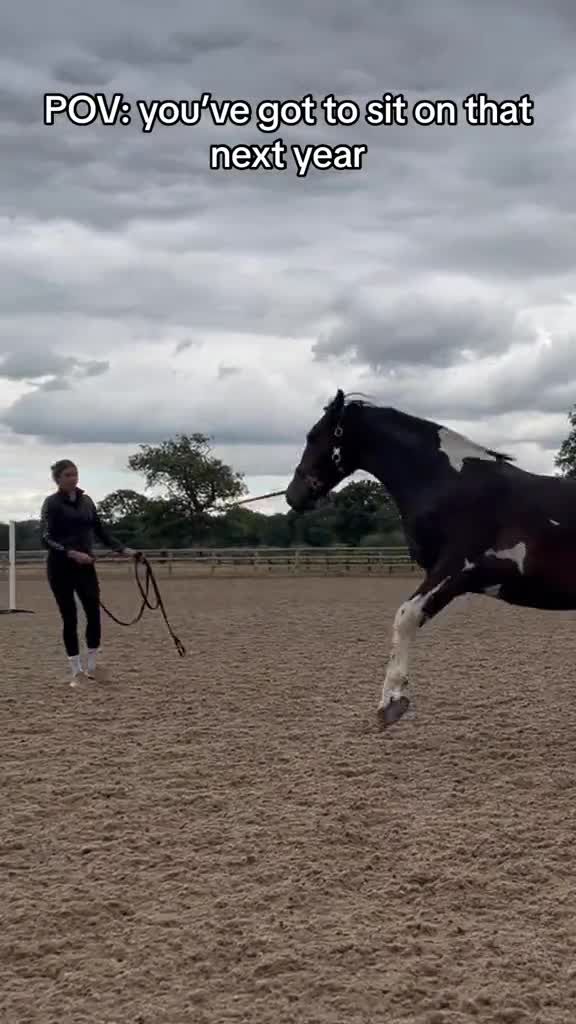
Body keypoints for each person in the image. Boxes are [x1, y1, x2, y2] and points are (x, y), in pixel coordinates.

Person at [40, 459, 139, 687]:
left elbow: (100, 531)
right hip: (60, 567)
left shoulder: (86, 502)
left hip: (86, 567)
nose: (73, 478)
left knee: (93, 613)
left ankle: (93, 665)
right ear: (58, 479)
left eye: (75, 474)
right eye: (67, 475)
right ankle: (76, 671)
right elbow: (46, 538)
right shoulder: (52, 503)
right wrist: (70, 553)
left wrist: (122, 549)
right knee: (70, 617)